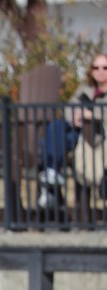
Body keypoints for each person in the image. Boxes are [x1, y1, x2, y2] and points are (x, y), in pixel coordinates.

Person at [38, 53, 107, 199]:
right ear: (91, 70)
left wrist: (91, 116)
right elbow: (69, 107)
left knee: (48, 142)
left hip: (96, 135)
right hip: (77, 132)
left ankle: (50, 183)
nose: (100, 71)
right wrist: (74, 117)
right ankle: (51, 173)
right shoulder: (84, 89)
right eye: (96, 67)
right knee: (55, 126)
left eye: (105, 67)